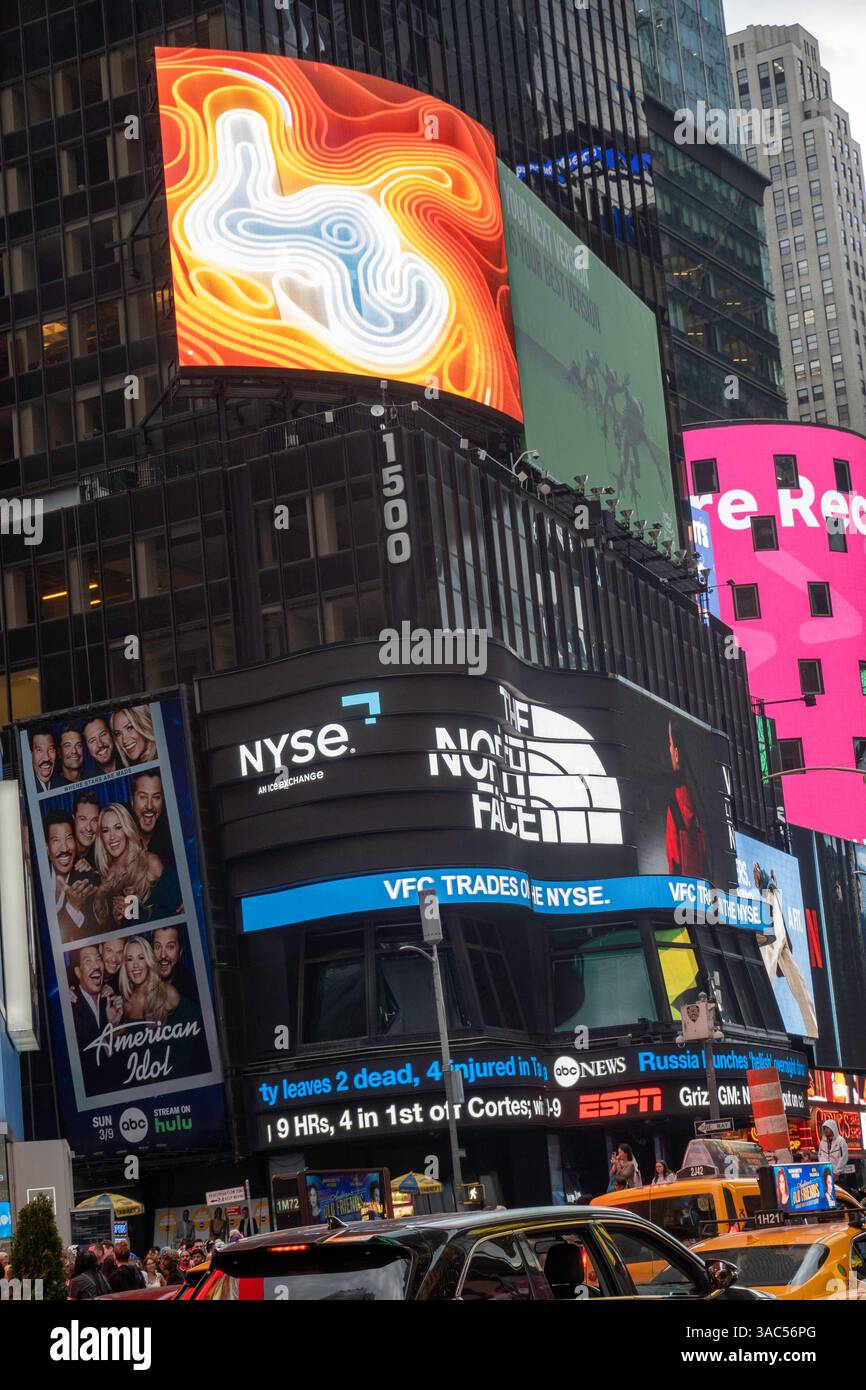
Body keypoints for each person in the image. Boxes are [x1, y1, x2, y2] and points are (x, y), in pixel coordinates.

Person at [753, 863, 819, 1037]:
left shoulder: (771, 900)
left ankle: (812, 1032)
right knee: (794, 983)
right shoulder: (771, 899)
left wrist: (768, 885)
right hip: (774, 923)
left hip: (775, 928)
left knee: (786, 979)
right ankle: (812, 1032)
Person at [92, 802, 181, 929]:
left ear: (127, 829)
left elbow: (179, 914)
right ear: (101, 837)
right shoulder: (103, 876)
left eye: (118, 827)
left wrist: (136, 913)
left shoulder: (150, 863)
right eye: (106, 831)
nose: (112, 837)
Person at [70, 945, 122, 1092]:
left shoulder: (112, 1000)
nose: (96, 965)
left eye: (98, 959)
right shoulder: (69, 1005)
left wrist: (114, 1028)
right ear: (78, 972)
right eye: (88, 961)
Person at [665, 719, 709, 878]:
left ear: (676, 754)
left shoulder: (675, 805)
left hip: (684, 894)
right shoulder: (699, 800)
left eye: (670, 743)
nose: (668, 749)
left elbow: (674, 859)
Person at [45, 811, 98, 941]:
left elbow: (90, 932)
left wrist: (74, 905)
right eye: (56, 840)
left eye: (69, 839)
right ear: (46, 847)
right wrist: (72, 906)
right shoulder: (35, 880)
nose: (64, 848)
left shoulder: (87, 880)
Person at [118, 936, 178, 1023]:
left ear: (148, 961)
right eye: (130, 959)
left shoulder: (167, 993)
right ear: (125, 966)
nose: (135, 965)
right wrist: (114, 1025)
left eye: (141, 957)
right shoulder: (124, 1004)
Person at [130, 770, 174, 869]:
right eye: (143, 797)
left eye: (156, 797)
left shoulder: (172, 838)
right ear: (132, 801)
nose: (149, 806)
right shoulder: (120, 836)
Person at [153, 926, 196, 1001]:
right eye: (157, 947)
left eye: (170, 947)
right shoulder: (143, 982)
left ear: (180, 952)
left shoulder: (192, 987)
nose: (163, 955)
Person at [72, 793, 101, 875]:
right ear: (74, 820)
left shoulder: (104, 851)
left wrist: (93, 874)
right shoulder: (64, 849)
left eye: (94, 820)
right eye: (82, 819)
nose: (88, 828)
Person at [31, 726, 61, 792]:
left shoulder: (63, 783)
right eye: (39, 750)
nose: (46, 758)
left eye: (51, 749)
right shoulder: (25, 790)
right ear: (31, 755)